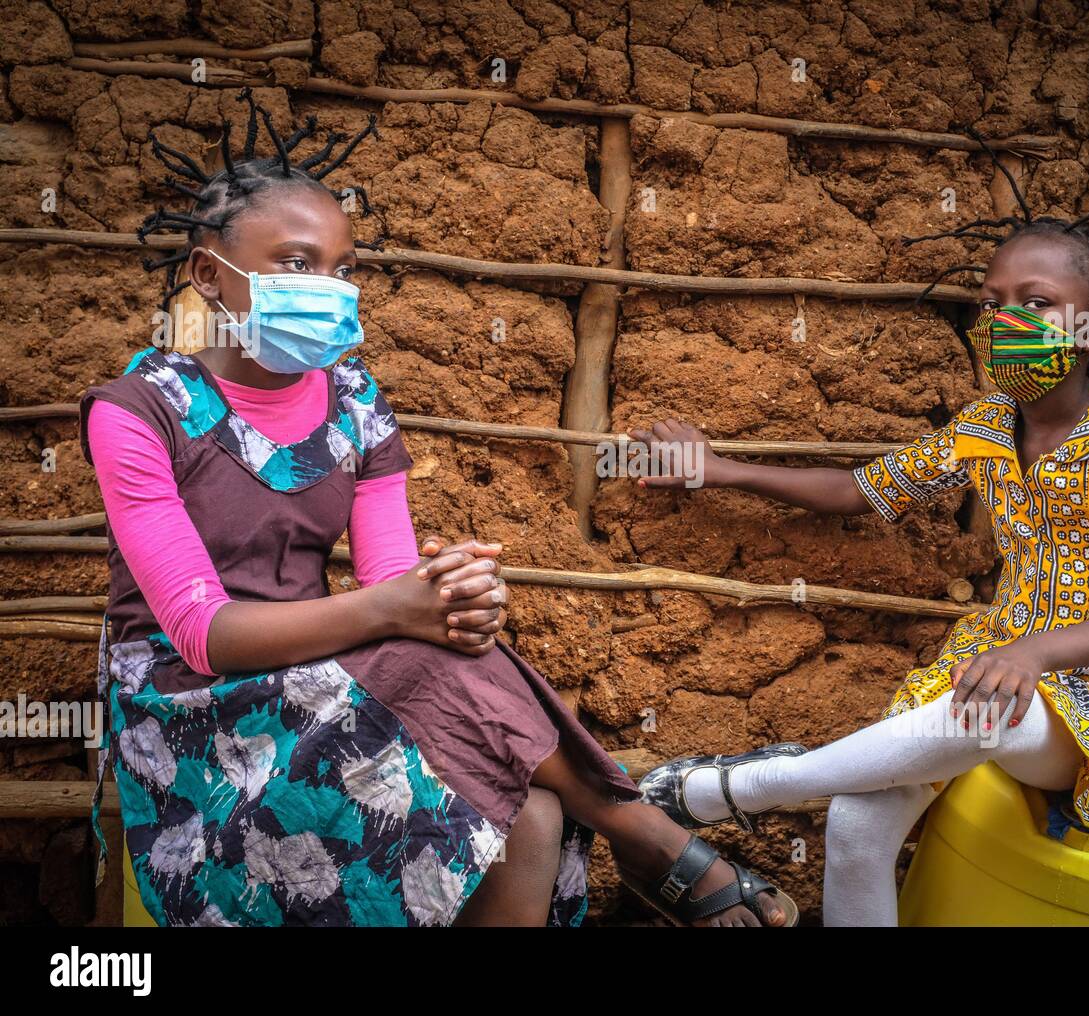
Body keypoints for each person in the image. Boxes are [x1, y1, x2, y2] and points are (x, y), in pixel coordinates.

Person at [82, 93, 797, 927]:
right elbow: (205, 632)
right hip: (193, 706)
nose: (328, 288)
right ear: (211, 275)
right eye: (297, 264)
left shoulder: (354, 403)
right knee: (425, 660)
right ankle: (645, 830)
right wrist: (402, 607)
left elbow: (395, 580)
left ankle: (637, 832)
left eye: (341, 269)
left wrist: (453, 600)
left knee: (525, 808)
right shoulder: (138, 410)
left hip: (327, 676)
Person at [633, 191, 1089, 926]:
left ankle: (736, 790)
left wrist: (1031, 655)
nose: (1007, 322)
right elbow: (859, 490)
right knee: (856, 826)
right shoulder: (985, 426)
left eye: (1038, 302)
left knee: (984, 715)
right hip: (987, 665)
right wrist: (723, 469)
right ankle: (748, 787)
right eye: (993, 303)